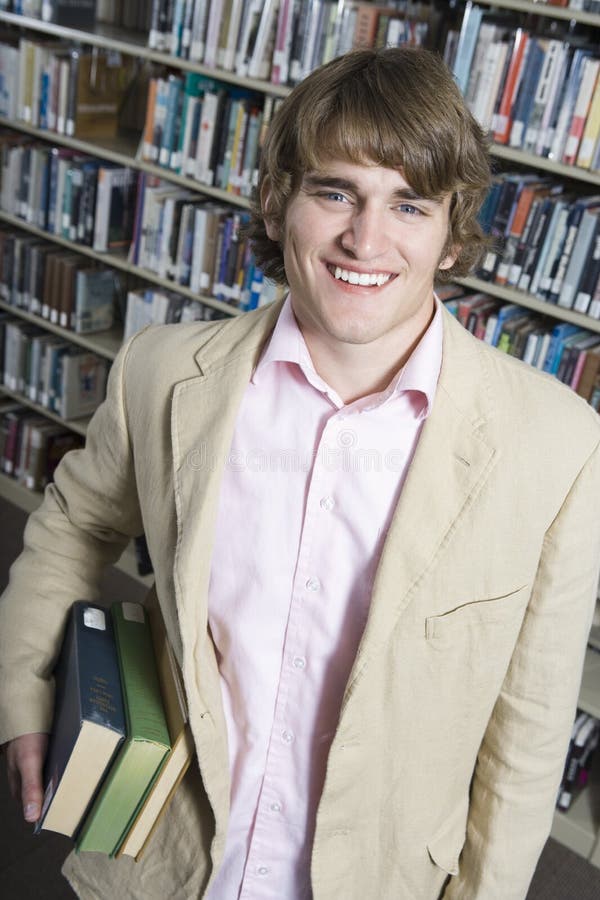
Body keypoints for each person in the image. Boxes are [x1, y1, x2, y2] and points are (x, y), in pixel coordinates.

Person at [1, 45, 600, 900]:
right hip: (163, 864)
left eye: (410, 204)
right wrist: (24, 694)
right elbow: (70, 526)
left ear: (453, 231)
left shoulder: (559, 445)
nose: (367, 239)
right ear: (278, 201)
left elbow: (530, 734)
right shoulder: (163, 375)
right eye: (335, 192)